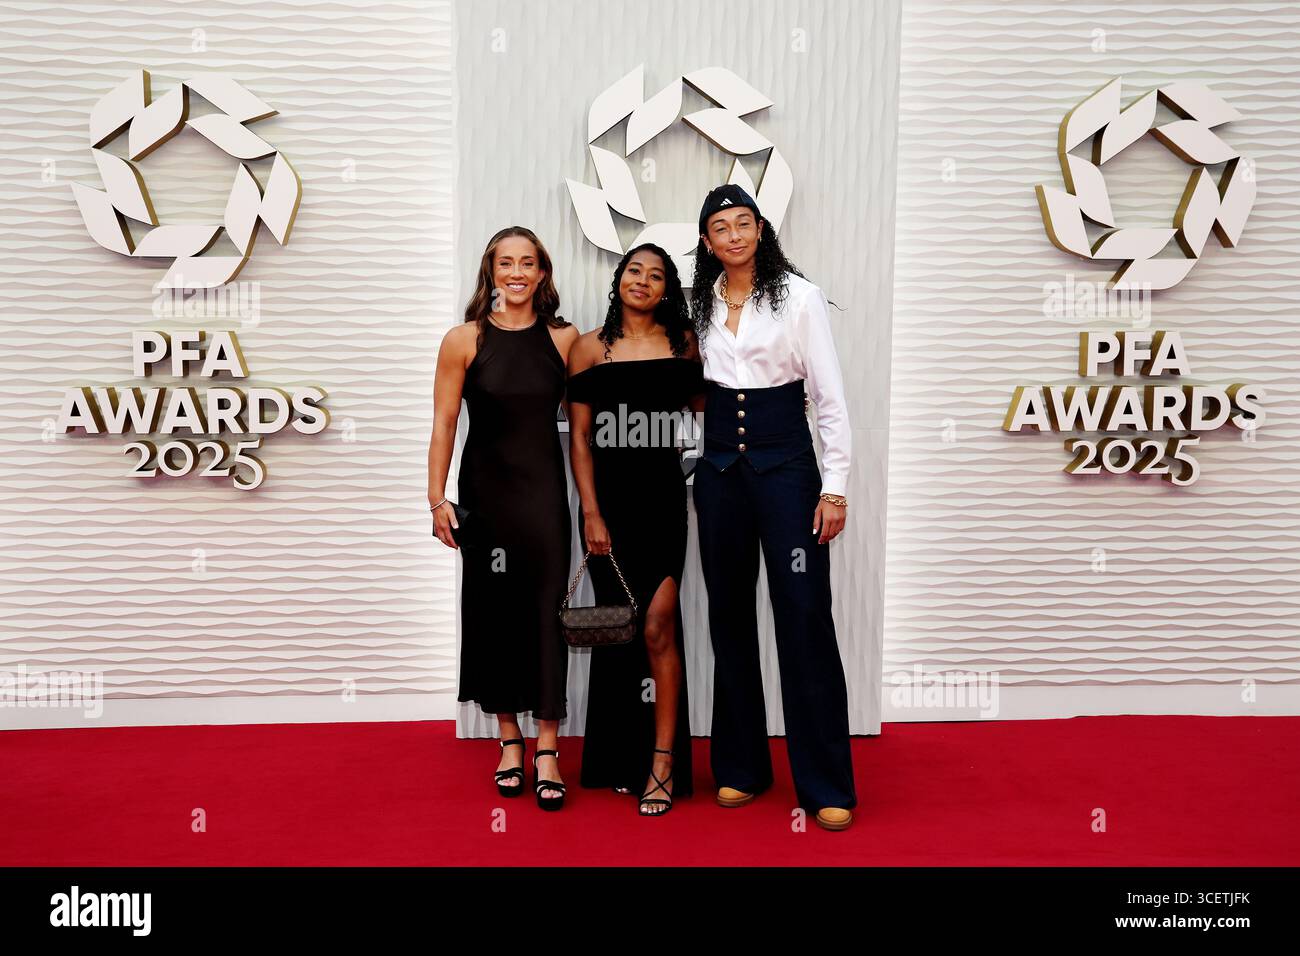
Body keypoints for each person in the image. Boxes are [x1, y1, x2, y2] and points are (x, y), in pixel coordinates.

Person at [689, 184, 857, 831]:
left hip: (787, 471)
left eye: (743, 223)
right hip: (720, 477)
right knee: (728, 618)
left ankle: (825, 782)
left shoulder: (799, 297)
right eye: (720, 228)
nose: (733, 235)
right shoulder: (697, 304)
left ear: (760, 229)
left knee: (805, 617)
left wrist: (834, 485)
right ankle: (741, 767)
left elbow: (830, 399)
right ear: (707, 242)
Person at [428, 226, 580, 811]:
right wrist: (436, 499)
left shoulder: (566, 341)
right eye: (504, 263)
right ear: (490, 273)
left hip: (543, 495)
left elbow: (592, 419)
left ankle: (547, 746)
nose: (516, 273)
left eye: (528, 263)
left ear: (542, 273)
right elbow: (444, 425)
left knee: (545, 613)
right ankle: (508, 738)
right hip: (484, 498)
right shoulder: (463, 340)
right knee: (494, 614)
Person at [567, 243, 704, 816]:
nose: (642, 281)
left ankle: (663, 759)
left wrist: (685, 468)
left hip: (664, 502)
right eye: (633, 271)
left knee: (657, 626)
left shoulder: (682, 343)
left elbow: (697, 419)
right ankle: (618, 756)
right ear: (618, 280)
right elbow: (578, 439)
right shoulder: (588, 349)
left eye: (656, 274)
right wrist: (593, 513)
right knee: (619, 630)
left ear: (667, 288)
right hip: (607, 507)